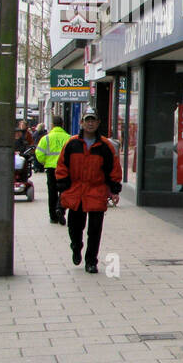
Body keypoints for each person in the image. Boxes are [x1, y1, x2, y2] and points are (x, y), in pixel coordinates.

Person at [55, 111, 122, 274]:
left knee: (95, 230)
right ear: (82, 123)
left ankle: (91, 261)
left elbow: (114, 168)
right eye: (87, 120)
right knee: (75, 227)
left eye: (93, 120)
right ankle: (76, 246)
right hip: (76, 193)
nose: (90, 124)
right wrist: (63, 184)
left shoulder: (105, 146)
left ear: (98, 123)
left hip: (96, 192)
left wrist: (114, 188)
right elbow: (62, 164)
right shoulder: (71, 144)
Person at [33, 113, 72, 225]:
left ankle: (53, 216)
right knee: (64, 190)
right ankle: (61, 209)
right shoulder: (69, 138)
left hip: (51, 168)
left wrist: (45, 162)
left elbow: (39, 153)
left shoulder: (46, 138)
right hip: (65, 169)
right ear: (62, 124)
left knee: (52, 192)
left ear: (53, 125)